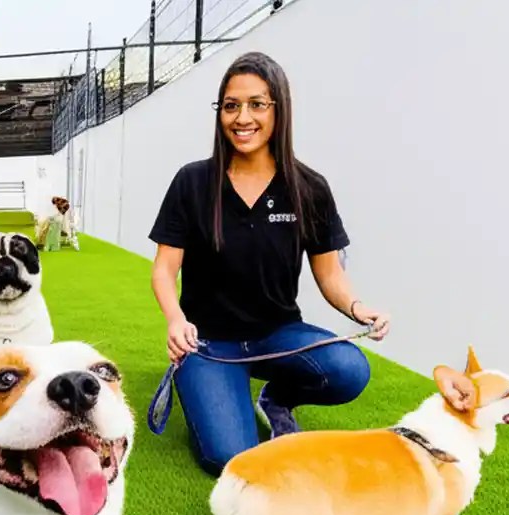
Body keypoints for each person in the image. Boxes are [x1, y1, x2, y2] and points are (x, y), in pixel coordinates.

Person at [149, 51, 389, 477]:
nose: (242, 117)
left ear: (279, 108)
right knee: (229, 457)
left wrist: (356, 307)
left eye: (257, 104)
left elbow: (329, 271)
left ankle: (275, 397)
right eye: (231, 105)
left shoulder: (308, 188)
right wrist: (175, 319)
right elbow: (165, 269)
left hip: (278, 335)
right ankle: (209, 388)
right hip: (208, 344)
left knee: (349, 369)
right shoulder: (193, 181)